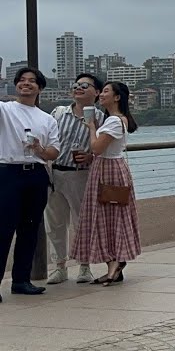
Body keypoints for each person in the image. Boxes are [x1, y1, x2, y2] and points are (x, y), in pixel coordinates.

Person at [71, 81, 140, 286]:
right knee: (113, 216)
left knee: (106, 216)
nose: (102, 95)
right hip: (113, 168)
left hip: (106, 170)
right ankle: (114, 263)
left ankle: (114, 262)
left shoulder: (113, 121)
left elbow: (96, 148)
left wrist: (91, 127)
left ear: (117, 97)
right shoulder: (118, 120)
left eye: (107, 92)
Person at [0, 68, 61, 300]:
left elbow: (54, 152)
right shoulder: (5, 109)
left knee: (29, 229)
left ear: (40, 88)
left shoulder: (46, 119)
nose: (26, 84)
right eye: (22, 81)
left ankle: (21, 281)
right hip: (8, 173)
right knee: (3, 230)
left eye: (32, 81)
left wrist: (39, 149)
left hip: (35, 174)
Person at [45, 73, 103, 285]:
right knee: (54, 223)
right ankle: (59, 266)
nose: (78, 88)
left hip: (82, 174)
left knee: (83, 223)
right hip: (55, 173)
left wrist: (90, 156)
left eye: (85, 85)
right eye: (77, 85)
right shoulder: (58, 113)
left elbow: (107, 148)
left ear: (96, 92)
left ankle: (84, 266)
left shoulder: (101, 118)